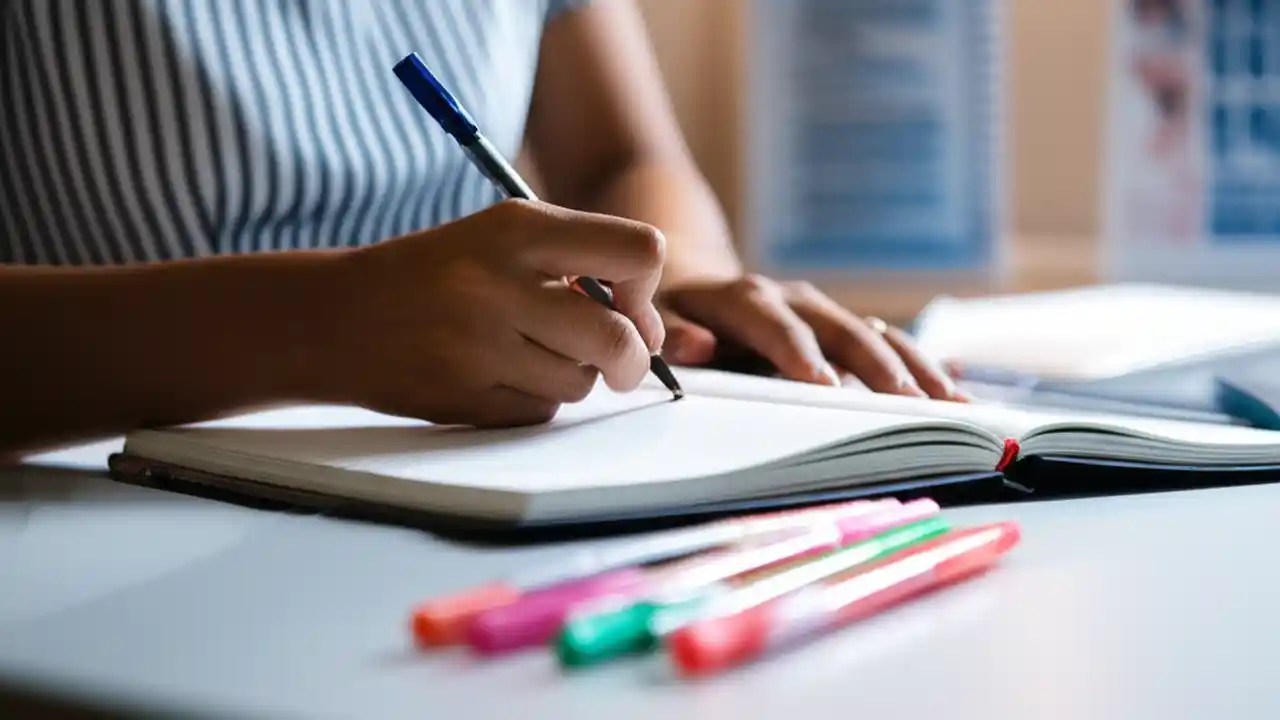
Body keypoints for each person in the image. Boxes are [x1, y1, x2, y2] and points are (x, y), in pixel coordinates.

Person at [0, 0, 962, 458]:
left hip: (469, 473)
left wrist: (677, 282)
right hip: (99, 517)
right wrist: (321, 324)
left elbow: (622, 158)